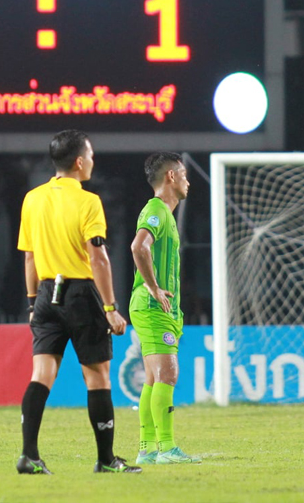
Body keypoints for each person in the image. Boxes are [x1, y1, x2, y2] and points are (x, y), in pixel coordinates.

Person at [16, 130, 140, 475]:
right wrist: (112, 308)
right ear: (79, 161)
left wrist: (31, 304)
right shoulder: (87, 202)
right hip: (81, 296)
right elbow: (98, 258)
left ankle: (29, 456)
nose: (93, 161)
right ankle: (106, 460)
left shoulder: (33, 199)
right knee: (98, 378)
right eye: (91, 155)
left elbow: (29, 258)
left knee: (41, 374)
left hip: (43, 294)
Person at [130, 153, 201, 465]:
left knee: (153, 378)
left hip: (154, 307)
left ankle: (147, 449)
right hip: (151, 305)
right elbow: (138, 246)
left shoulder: (166, 214)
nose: (188, 180)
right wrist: (155, 287)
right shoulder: (157, 210)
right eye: (184, 174)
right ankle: (167, 448)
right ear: (171, 177)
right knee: (168, 374)